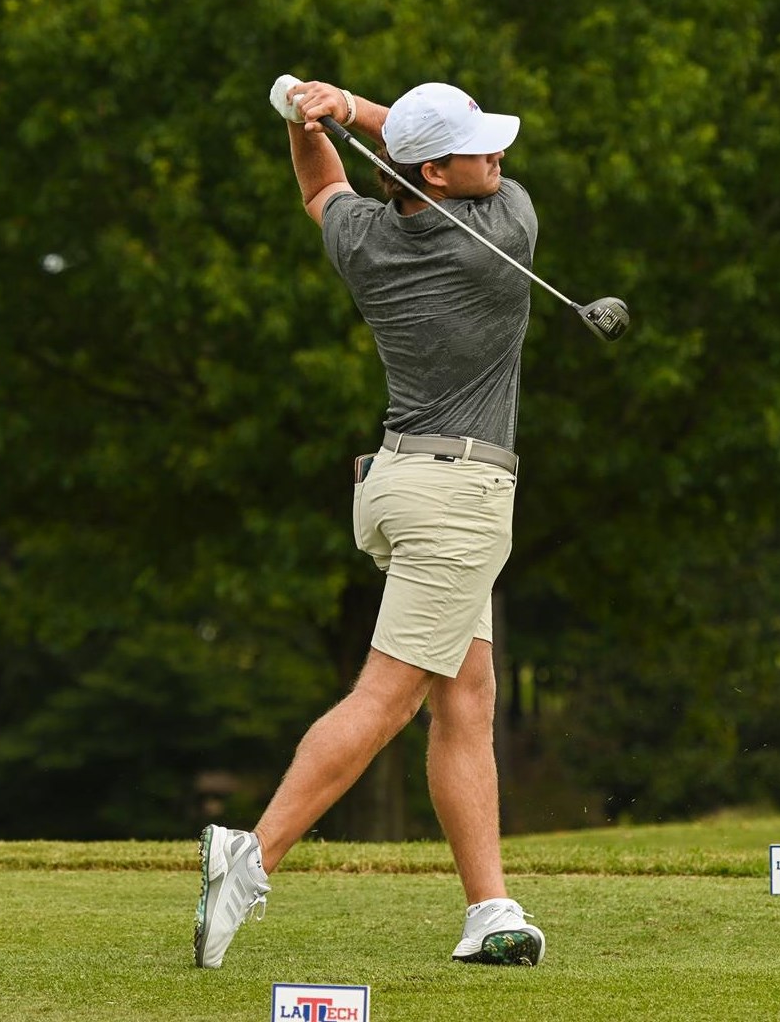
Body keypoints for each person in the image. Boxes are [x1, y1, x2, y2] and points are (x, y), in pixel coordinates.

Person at [192, 77, 546, 970]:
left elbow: (320, 190)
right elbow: (390, 159)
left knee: (465, 698)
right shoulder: (501, 231)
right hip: (459, 500)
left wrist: (307, 123)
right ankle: (252, 855)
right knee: (387, 698)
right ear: (435, 168)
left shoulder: (367, 241)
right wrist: (346, 107)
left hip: (395, 484)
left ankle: (489, 909)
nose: (496, 157)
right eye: (477, 148)